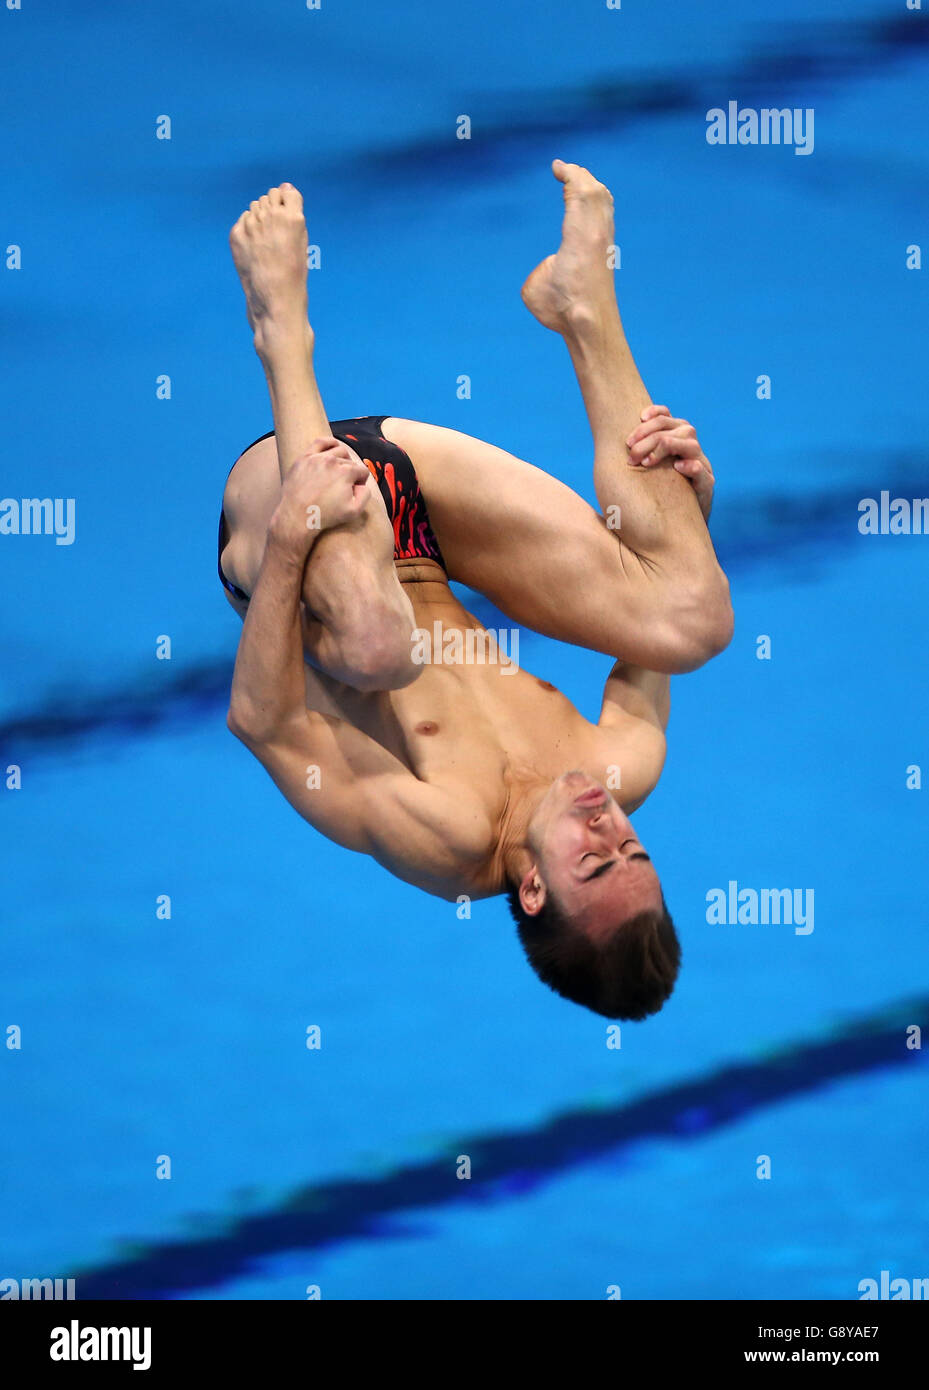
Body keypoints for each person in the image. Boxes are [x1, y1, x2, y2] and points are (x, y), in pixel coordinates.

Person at [220, 161, 732, 1020]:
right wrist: (685, 522)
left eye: (594, 862)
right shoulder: (624, 764)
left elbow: (262, 720)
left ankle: (280, 326)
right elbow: (655, 617)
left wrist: (287, 538)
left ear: (532, 889)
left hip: (283, 511)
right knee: (694, 620)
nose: (611, 829)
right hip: (414, 501)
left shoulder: (445, 837)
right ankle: (580, 303)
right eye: (635, 854)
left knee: (378, 647)